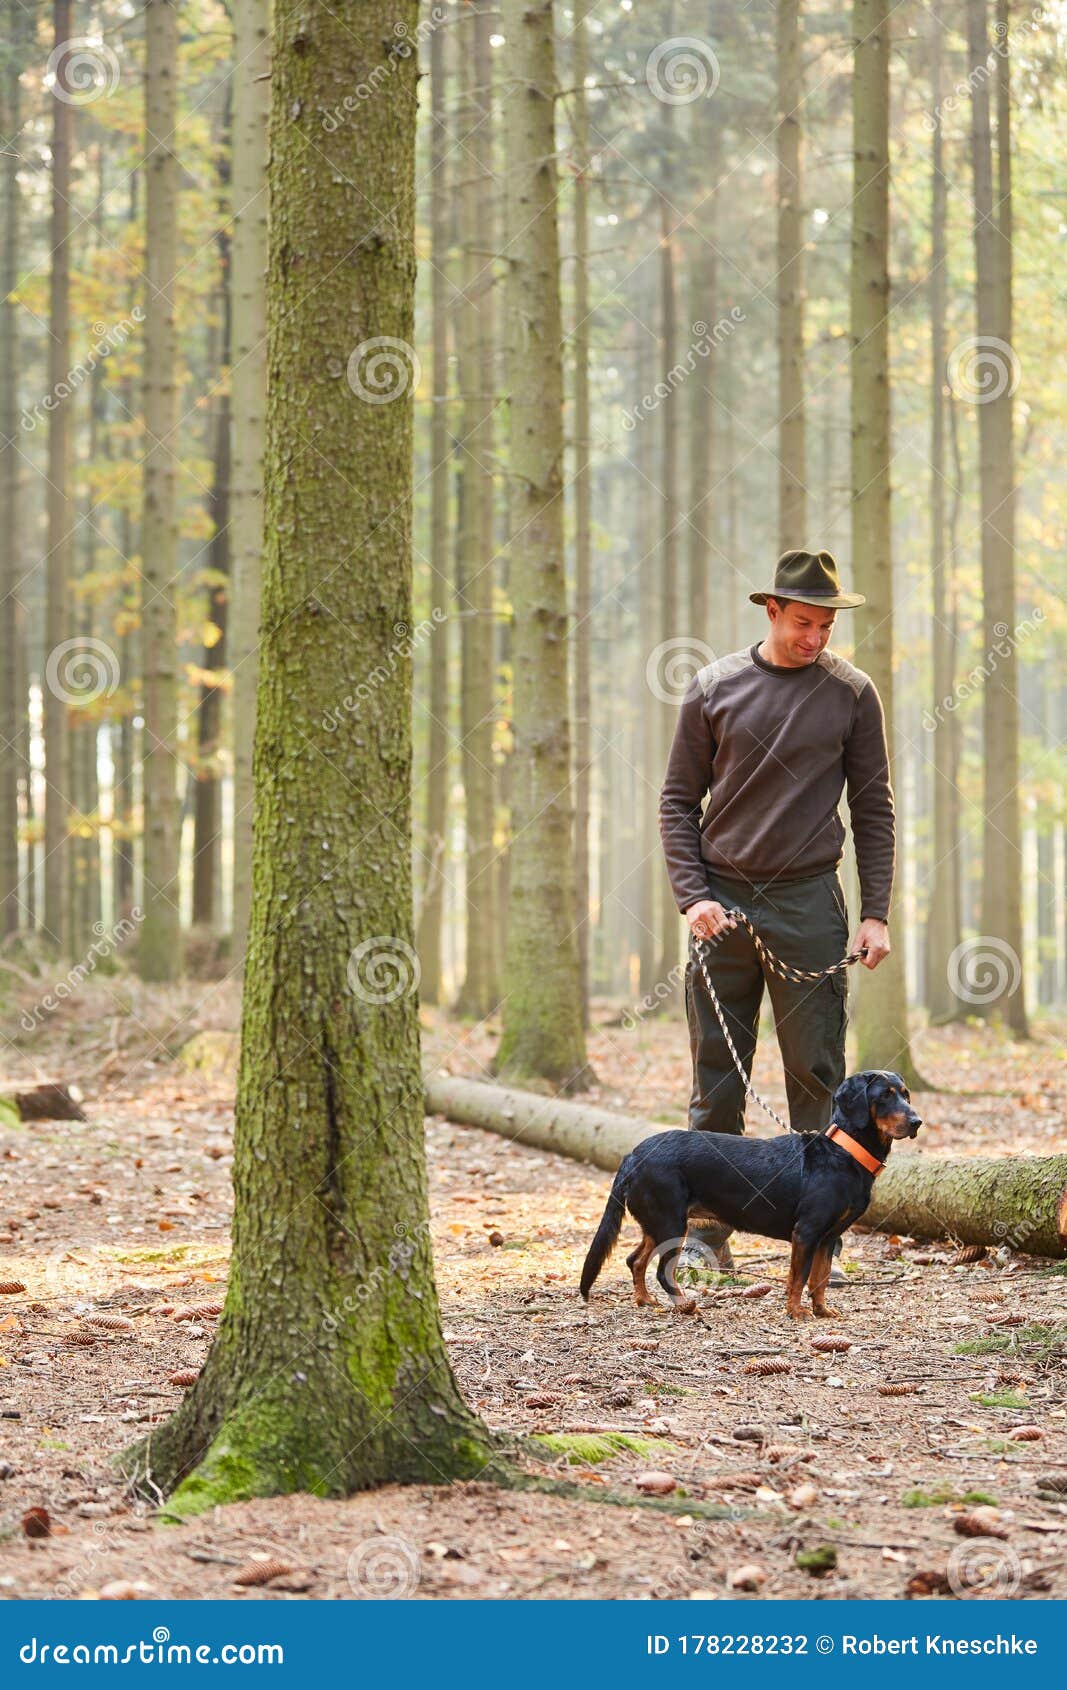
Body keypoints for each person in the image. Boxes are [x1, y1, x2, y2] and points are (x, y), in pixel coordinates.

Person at [658, 548, 895, 1284]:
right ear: (770, 612)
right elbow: (676, 802)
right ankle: (705, 1238)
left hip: (808, 900)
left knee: (817, 1075)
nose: (815, 638)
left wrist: (875, 913)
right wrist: (692, 896)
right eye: (803, 623)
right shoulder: (713, 687)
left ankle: (819, 1238)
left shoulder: (852, 694)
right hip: (718, 903)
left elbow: (872, 809)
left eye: (826, 625)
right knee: (715, 1076)